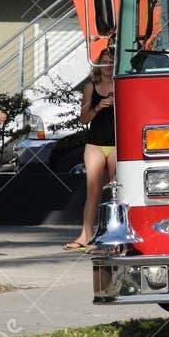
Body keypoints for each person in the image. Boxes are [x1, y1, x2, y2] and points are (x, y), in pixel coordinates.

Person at [69, 47, 117, 251]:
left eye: (111, 62)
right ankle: (86, 235)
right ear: (98, 64)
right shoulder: (91, 87)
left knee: (117, 190)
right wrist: (98, 107)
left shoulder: (122, 84)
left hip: (117, 144)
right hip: (96, 144)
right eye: (104, 62)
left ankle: (116, 233)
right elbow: (83, 119)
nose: (108, 66)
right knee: (93, 191)